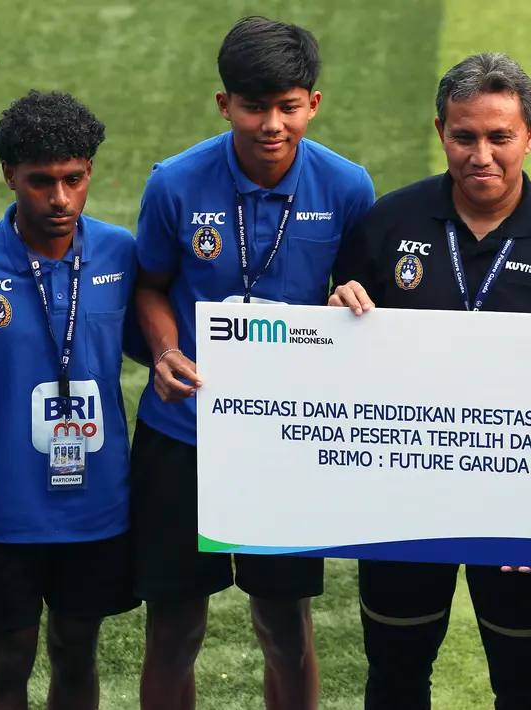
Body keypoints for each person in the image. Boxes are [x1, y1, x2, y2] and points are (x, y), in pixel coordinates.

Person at [328, 52, 531, 709]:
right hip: (402, 505)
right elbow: (338, 370)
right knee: (395, 680)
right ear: (440, 132)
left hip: (521, 515)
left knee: (526, 689)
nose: (479, 155)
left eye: (499, 137)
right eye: (463, 136)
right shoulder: (386, 227)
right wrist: (331, 318)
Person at [130, 15, 376, 710]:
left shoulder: (348, 188)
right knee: (174, 629)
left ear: (313, 104)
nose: (272, 123)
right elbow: (150, 287)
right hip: (183, 435)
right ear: (224, 105)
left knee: (283, 627)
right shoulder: (175, 184)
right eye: (254, 106)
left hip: (285, 438)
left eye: (288, 106)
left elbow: (360, 297)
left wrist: (350, 298)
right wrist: (166, 349)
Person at [0, 90, 141, 709]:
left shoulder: (120, 253)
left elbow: (148, 338)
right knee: (8, 660)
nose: (61, 198)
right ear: (9, 175)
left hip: (96, 502)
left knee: (76, 651)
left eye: (74, 179)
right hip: (2, 506)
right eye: (41, 182)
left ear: (90, 171)